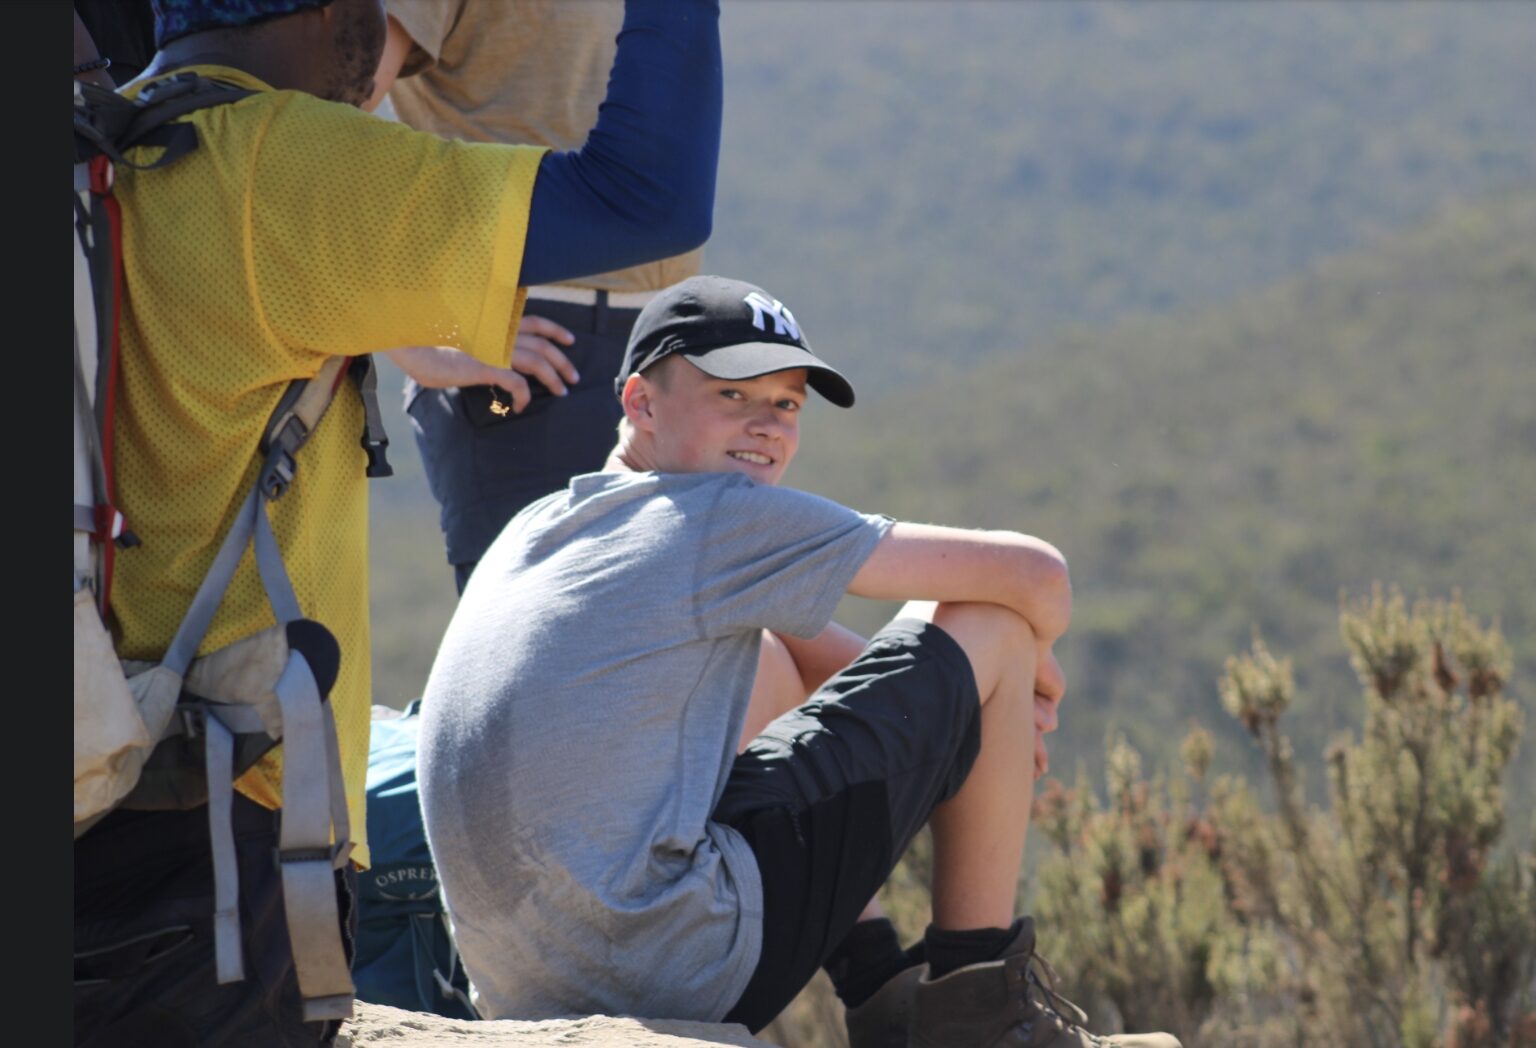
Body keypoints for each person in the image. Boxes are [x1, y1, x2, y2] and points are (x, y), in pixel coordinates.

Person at [71, 2, 721, 1045]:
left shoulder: (113, 142)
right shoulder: (285, 163)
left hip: (92, 761)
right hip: (225, 824)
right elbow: (647, 196)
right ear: (334, 15)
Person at [417, 276, 1181, 1047]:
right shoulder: (710, 518)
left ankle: (880, 985)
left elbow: (844, 670)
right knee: (987, 617)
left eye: (785, 404)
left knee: (775, 652)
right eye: (733, 395)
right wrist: (1021, 670)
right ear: (642, 403)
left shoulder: (546, 524)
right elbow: (1038, 576)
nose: (767, 426)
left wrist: (975, 709)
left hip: (528, 982)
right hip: (665, 969)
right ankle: (978, 1006)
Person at [364, 0, 707, 595]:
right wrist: (420, 331)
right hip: (522, 353)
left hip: (667, 339)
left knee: (675, 642)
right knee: (545, 636)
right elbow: (319, 127)